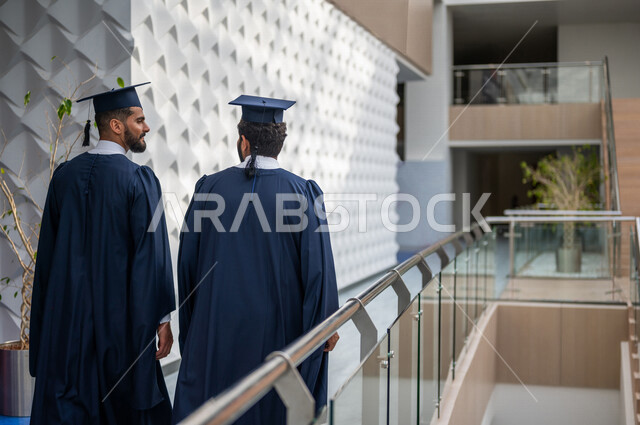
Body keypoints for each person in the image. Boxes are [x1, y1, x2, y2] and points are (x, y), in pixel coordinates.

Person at [172, 95, 340, 424]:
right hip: (282, 331)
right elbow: (318, 271)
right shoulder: (303, 192)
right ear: (281, 143)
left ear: (243, 141)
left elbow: (187, 266)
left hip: (215, 329)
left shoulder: (208, 189)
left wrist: (193, 331)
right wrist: (324, 325)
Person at [29, 82, 176, 425]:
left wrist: (45, 330)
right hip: (119, 326)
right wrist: (162, 320)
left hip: (65, 325)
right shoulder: (138, 180)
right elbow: (150, 259)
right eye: (139, 120)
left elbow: (47, 259)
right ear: (116, 125)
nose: (146, 127)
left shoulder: (64, 177)